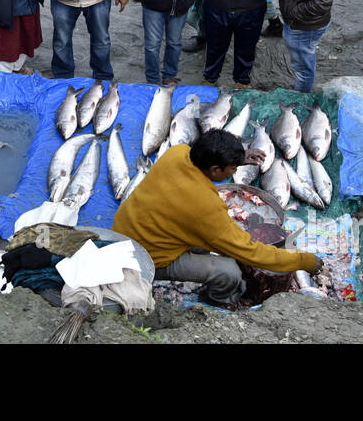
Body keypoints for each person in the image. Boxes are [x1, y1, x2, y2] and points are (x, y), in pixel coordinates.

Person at [113, 129, 321, 310]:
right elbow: (251, 252)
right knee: (228, 271)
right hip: (144, 258)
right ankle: (216, 302)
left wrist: (235, 157)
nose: (236, 171)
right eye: (233, 169)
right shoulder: (205, 206)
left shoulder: (177, 153)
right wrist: (304, 261)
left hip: (124, 230)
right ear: (214, 169)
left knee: (209, 246)